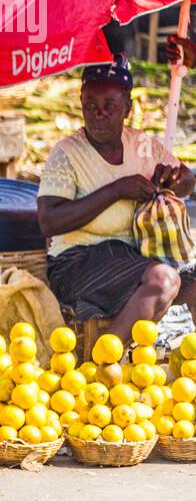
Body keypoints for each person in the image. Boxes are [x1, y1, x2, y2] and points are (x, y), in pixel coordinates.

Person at [37, 57, 196, 335]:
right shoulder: (66, 153)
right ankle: (105, 363)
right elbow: (49, 221)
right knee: (163, 281)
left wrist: (177, 181)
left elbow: (187, 181)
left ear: (127, 107)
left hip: (133, 256)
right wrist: (117, 190)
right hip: (75, 263)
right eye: (90, 106)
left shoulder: (143, 145)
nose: (99, 113)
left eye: (109, 106)